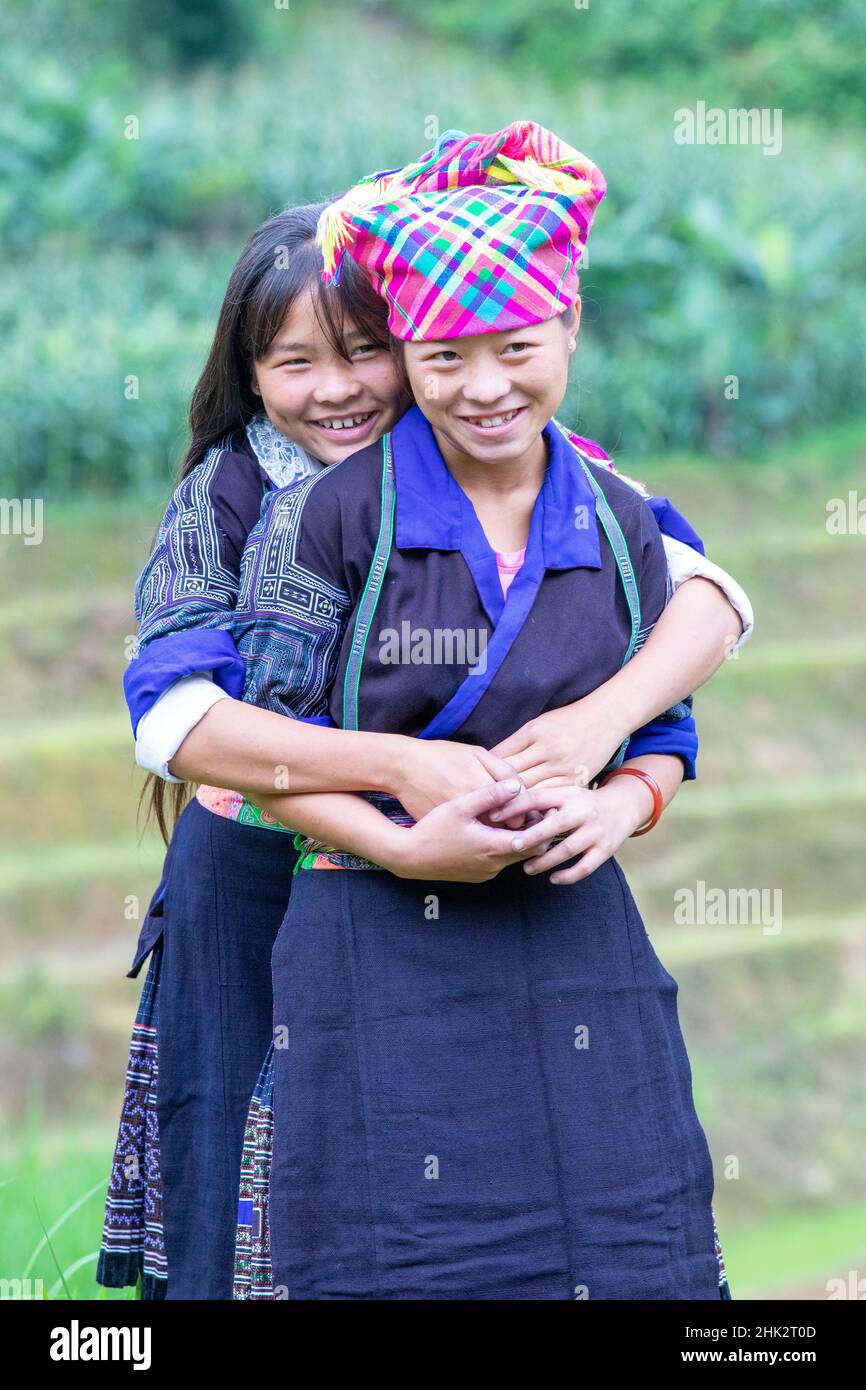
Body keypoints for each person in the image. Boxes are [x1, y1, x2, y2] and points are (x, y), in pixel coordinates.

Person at [98, 188, 749, 1300]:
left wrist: (600, 732)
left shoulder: (492, 445)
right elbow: (174, 720)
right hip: (263, 874)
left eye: (363, 351)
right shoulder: (235, 492)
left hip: (463, 883)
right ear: (248, 374)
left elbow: (705, 594)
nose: (338, 387)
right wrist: (402, 778)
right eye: (294, 361)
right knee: (255, 1179)